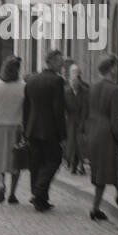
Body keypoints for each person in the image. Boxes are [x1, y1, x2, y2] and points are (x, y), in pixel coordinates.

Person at [85, 54, 118, 220]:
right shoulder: (115, 90)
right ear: (111, 68)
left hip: (93, 132)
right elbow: (115, 119)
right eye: (116, 66)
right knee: (103, 173)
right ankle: (95, 208)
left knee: (106, 167)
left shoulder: (92, 87)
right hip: (106, 135)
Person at [22, 50, 67, 212]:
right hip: (50, 130)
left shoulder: (32, 80)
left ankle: (41, 199)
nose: (62, 64)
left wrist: (25, 129)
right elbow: (58, 110)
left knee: (36, 164)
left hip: (32, 129)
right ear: (52, 62)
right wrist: (62, 134)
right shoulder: (57, 81)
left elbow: (26, 108)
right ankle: (39, 193)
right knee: (53, 162)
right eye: (60, 61)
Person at [0, 56, 26, 204]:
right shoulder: (23, 86)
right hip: (16, 126)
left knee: (0, 159)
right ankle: (13, 193)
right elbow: (25, 109)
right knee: (16, 161)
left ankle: (1, 183)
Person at [64, 62, 90, 175]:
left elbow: (86, 107)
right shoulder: (66, 91)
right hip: (70, 121)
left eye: (76, 78)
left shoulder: (85, 90)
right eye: (72, 79)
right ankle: (73, 164)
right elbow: (64, 107)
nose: (74, 82)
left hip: (81, 121)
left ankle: (80, 164)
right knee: (71, 143)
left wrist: (83, 122)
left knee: (81, 144)